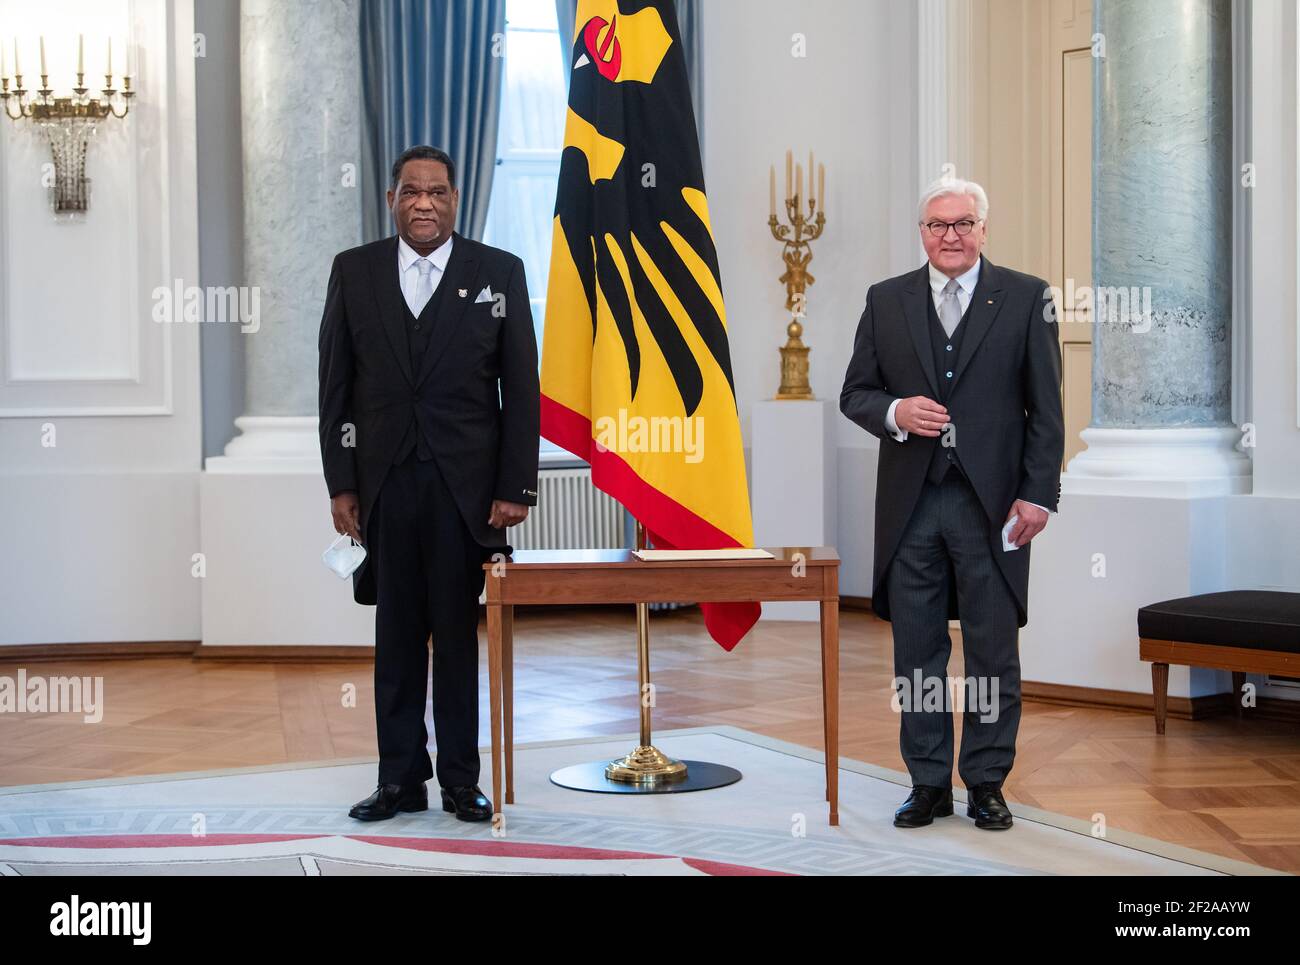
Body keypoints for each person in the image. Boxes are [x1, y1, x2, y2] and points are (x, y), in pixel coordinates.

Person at [318, 145, 539, 822]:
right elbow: (336, 389)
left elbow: (521, 389)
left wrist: (514, 487)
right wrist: (341, 482)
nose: (423, 203)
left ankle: (459, 779)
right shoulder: (354, 273)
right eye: (411, 192)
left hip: (464, 493)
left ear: (454, 199)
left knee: (456, 634)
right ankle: (400, 778)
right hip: (384, 487)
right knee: (396, 636)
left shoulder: (498, 272)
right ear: (391, 200)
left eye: (437, 192)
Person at [839, 177, 1064, 830]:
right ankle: (928, 782)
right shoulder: (886, 301)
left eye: (964, 223)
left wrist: (1038, 493)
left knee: (993, 651)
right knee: (917, 652)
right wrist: (895, 410)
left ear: (984, 229)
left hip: (991, 508)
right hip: (912, 507)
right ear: (922, 233)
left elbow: (1046, 409)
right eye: (938, 225)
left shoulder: (1026, 298)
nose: (951, 235)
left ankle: (987, 782)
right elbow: (856, 392)